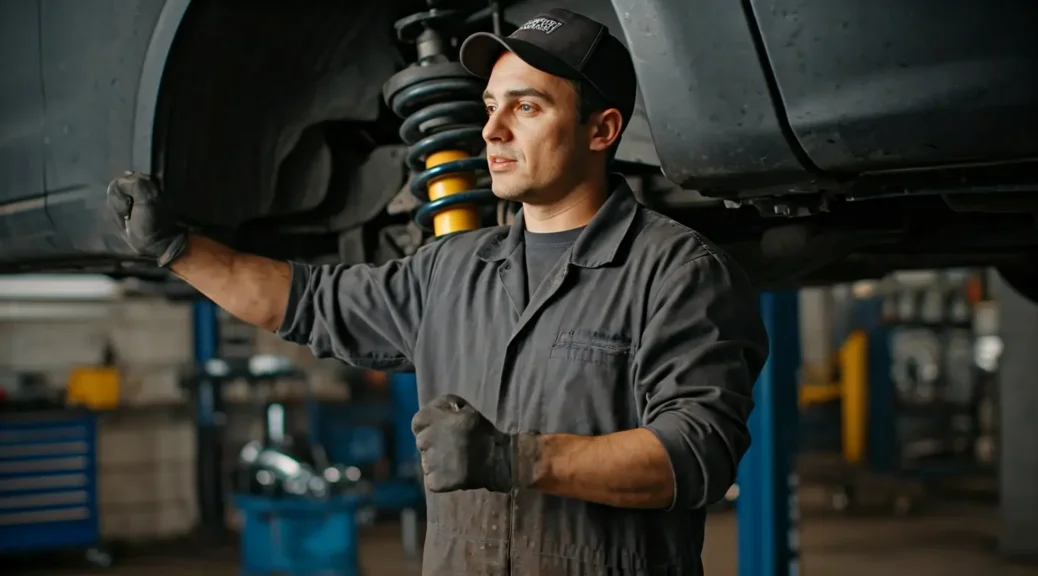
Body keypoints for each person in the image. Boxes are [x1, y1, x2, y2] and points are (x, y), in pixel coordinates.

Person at [106, 8, 769, 575]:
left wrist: (520, 458)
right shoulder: (449, 270)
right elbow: (302, 301)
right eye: (490, 107)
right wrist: (178, 249)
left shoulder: (677, 272)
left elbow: (695, 453)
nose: (492, 131)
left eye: (527, 107)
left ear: (601, 130)